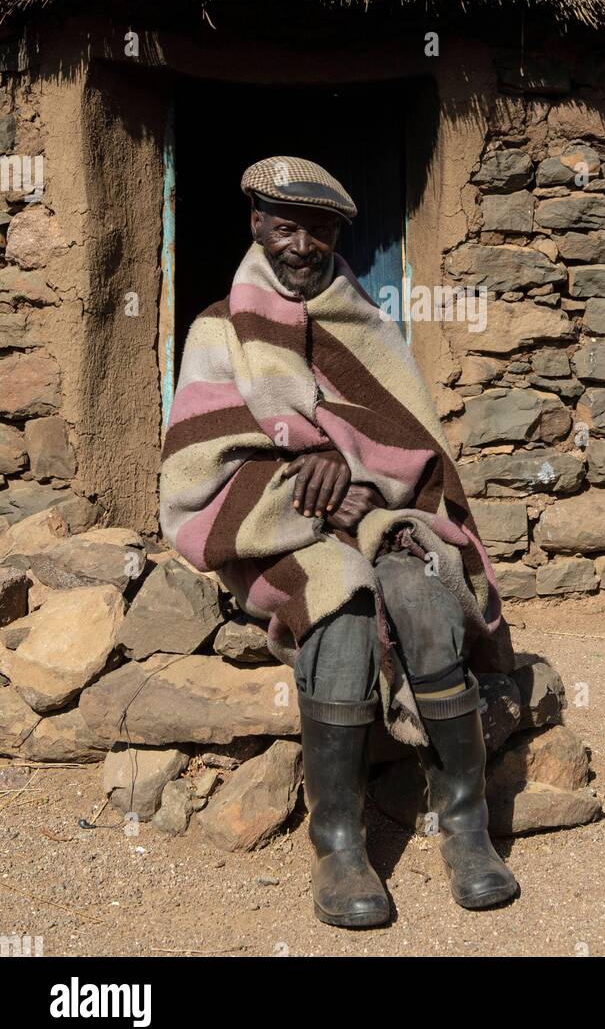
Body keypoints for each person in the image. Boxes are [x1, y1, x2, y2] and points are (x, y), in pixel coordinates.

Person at [159, 156, 519, 928]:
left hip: (381, 518)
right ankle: (340, 846)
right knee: (343, 598)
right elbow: (196, 468)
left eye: (318, 232)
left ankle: (464, 824)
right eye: (284, 227)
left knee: (423, 590)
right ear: (256, 224)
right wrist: (301, 473)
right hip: (277, 531)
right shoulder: (218, 329)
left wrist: (352, 473)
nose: (301, 246)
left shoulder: (366, 322)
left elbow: (411, 452)